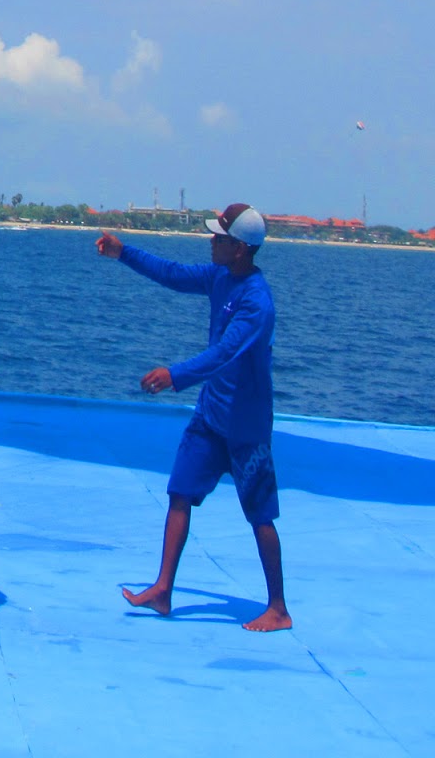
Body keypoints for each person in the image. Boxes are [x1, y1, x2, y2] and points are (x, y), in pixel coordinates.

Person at [97, 203, 291, 632]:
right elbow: (171, 273)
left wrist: (175, 375)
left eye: (219, 238)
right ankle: (163, 590)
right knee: (179, 493)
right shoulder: (221, 276)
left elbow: (225, 354)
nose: (211, 241)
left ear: (240, 248)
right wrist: (122, 252)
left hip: (246, 428)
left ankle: (278, 607)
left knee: (260, 515)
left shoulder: (257, 303)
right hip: (210, 416)